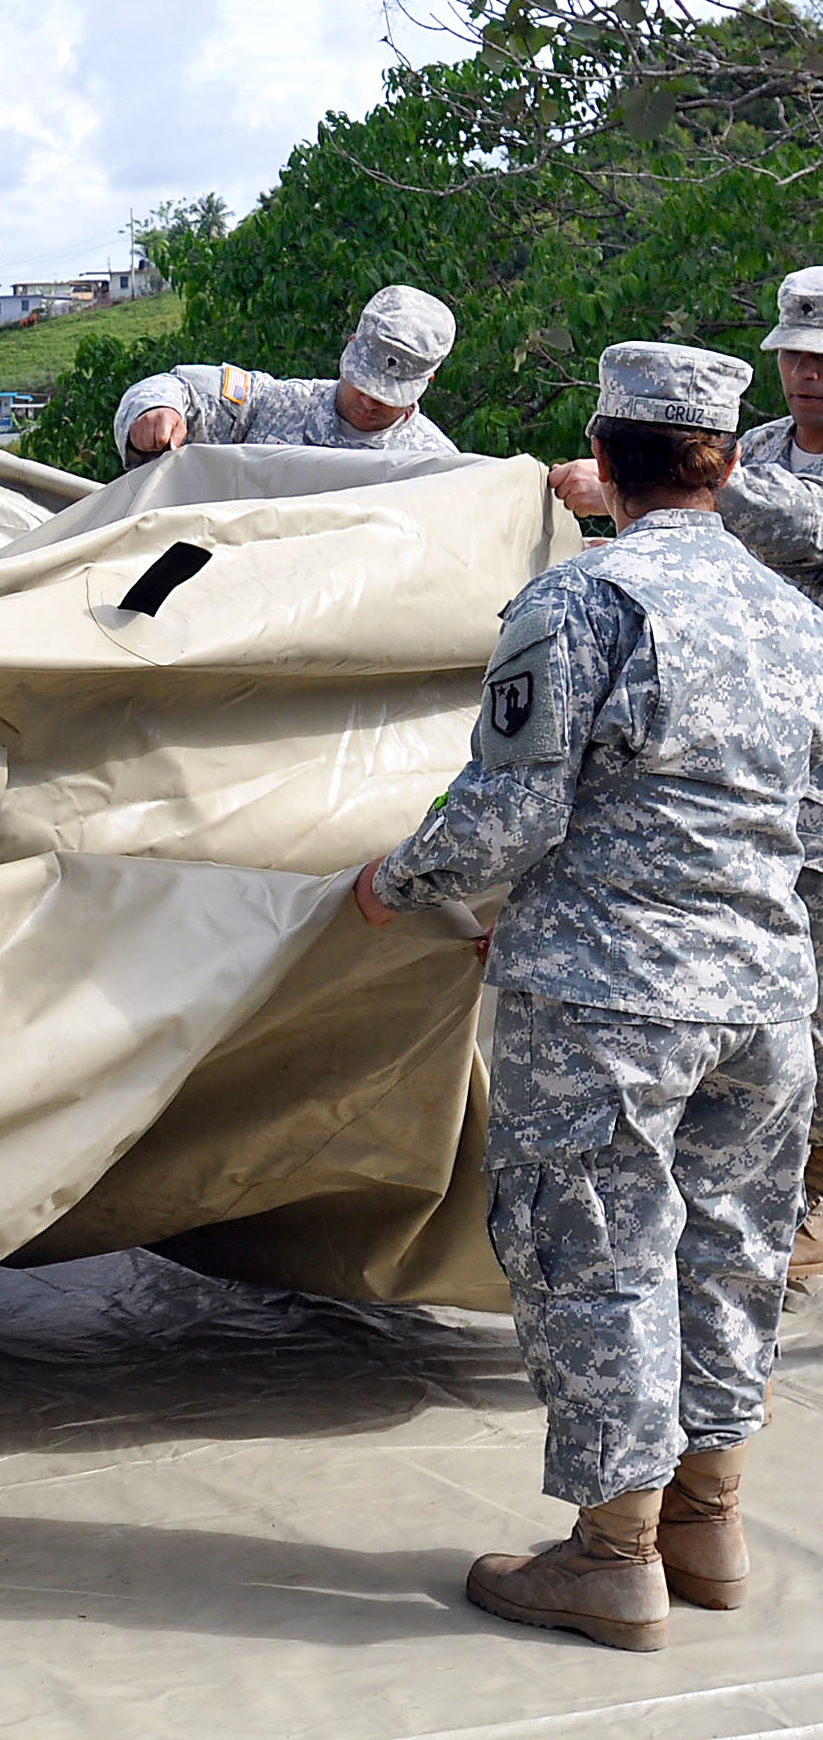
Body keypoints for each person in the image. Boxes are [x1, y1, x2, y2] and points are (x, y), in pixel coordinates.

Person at [354, 342, 823, 1651]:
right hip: (770, 1002)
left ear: (602, 461)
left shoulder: (582, 601)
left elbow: (506, 812)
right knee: (732, 1255)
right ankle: (706, 1529)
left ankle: (613, 1558)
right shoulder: (802, 621)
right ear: (727, 465)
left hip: (610, 1002)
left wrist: (397, 883)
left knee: (601, 1260)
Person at [555, 273, 823, 1280]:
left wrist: (660, 481)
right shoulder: (748, 451)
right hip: (724, 782)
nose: (808, 375)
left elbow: (794, 524)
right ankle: (759, 1206)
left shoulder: (738, 470)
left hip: (809, 773)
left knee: (800, 1006)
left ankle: (794, 1201)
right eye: (796, 356)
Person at [113, 285, 458, 467]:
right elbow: (180, 387)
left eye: (388, 395)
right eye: (363, 381)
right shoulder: (274, 404)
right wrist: (156, 411)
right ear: (349, 347)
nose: (369, 402)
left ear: (425, 385)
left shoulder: (436, 467)